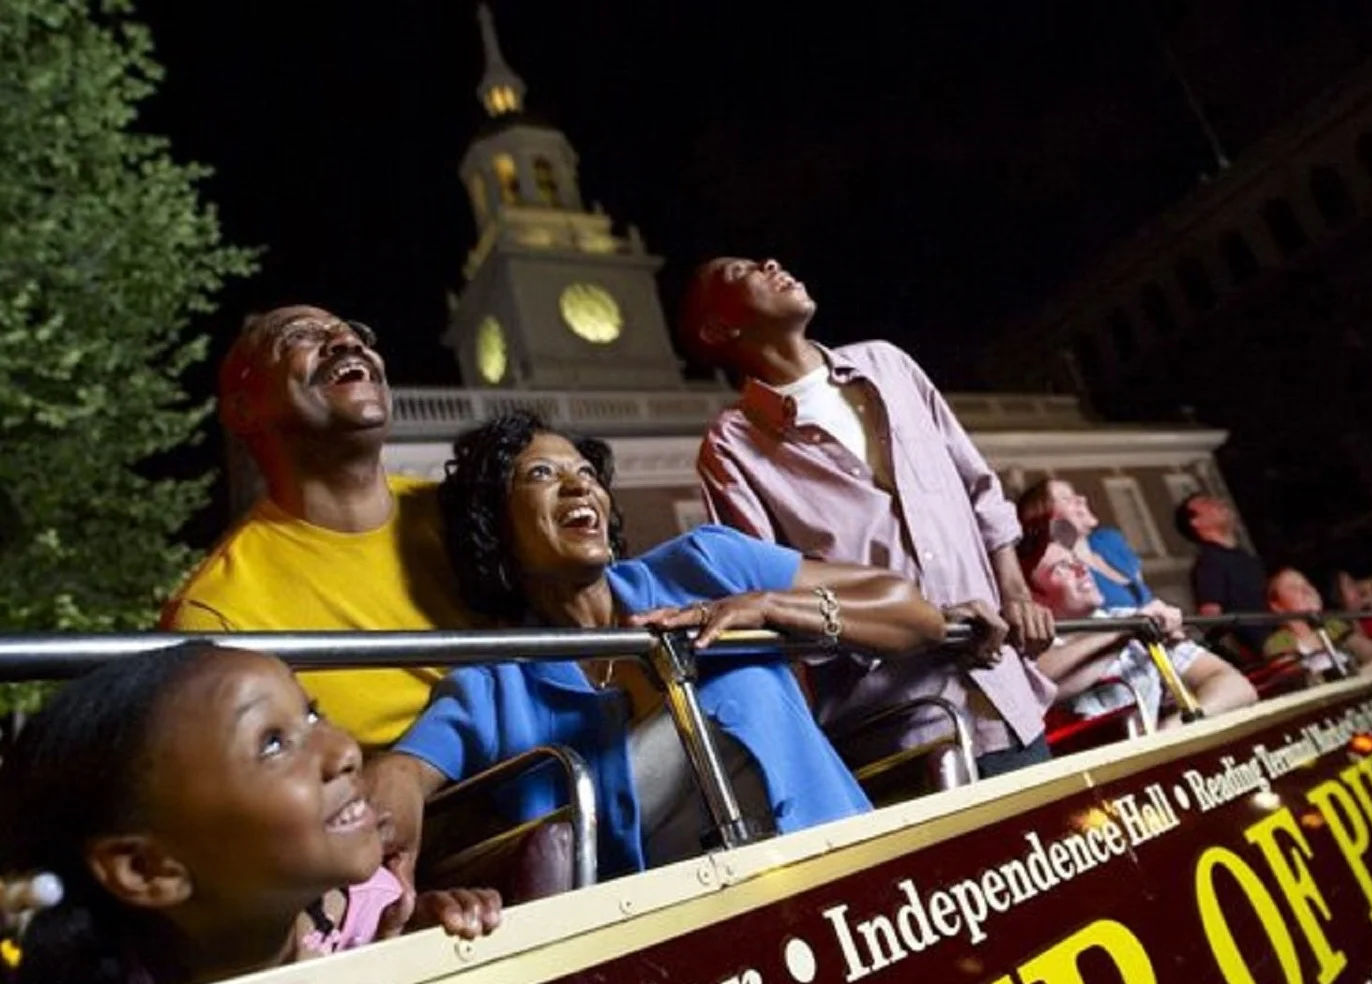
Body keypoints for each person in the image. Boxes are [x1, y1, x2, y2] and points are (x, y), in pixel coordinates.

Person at [367, 411, 948, 880]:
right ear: (493, 525)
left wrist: (768, 608)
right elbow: (405, 773)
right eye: (540, 474)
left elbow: (912, 611)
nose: (579, 484)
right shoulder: (496, 683)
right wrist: (394, 799)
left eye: (586, 473)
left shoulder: (704, 564)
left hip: (862, 899)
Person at [681, 256, 1055, 779]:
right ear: (721, 326)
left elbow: (979, 488)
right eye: (742, 271)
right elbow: (781, 599)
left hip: (1007, 700)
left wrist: (1014, 591)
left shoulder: (889, 366)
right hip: (900, 732)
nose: (770, 262)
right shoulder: (732, 445)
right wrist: (929, 622)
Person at [0, 643, 499, 984]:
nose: (345, 751)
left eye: (313, 715)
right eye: (273, 743)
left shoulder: (375, 915)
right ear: (147, 869)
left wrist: (423, 948)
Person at [160, 306, 475, 748]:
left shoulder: (478, 515)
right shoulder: (216, 617)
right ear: (244, 409)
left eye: (357, 333)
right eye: (298, 337)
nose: (348, 343)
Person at [1021, 520, 1257, 728]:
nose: (1082, 569)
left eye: (1075, 559)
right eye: (1062, 567)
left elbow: (1236, 686)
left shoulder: (1127, 616)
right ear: (1033, 596)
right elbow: (1042, 682)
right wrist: (1127, 629)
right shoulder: (1027, 649)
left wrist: (1178, 726)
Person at [1017, 477, 1152, 608]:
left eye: (1075, 494)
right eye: (1066, 499)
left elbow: (1145, 595)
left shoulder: (1108, 540)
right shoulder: (1062, 571)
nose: (1082, 499)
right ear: (1046, 518)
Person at [1173, 491, 1272, 657]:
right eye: (1207, 503)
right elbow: (1212, 619)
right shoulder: (1210, 564)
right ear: (1196, 522)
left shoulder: (1245, 557)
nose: (1219, 503)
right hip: (1267, 648)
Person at [1263, 568, 1372, 677]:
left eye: (1308, 584)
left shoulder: (1334, 627)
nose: (1306, 590)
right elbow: (1298, 677)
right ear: (1277, 606)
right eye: (1293, 587)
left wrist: (1354, 681)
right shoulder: (1276, 643)